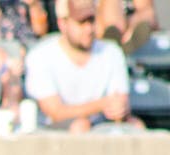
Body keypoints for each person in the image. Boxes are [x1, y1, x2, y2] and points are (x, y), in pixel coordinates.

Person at [23, 0, 143, 132]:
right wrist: (102, 104)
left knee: (136, 126)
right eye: (81, 22)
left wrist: (119, 109)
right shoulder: (41, 55)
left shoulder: (111, 52)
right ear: (62, 24)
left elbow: (120, 100)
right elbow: (55, 113)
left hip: (101, 123)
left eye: (91, 21)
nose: (88, 29)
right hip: (53, 131)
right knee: (81, 126)